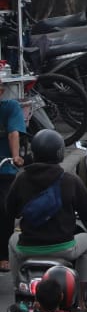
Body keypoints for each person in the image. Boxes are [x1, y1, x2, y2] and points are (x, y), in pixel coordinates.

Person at [5, 130, 87, 312]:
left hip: (27, 248)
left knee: (11, 241)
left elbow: (10, 210)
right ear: (60, 153)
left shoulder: (22, 178)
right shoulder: (70, 180)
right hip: (63, 249)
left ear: (35, 153)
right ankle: (82, 298)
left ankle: (20, 291)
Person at [0, 89, 25, 275]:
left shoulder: (10, 107)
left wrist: (15, 156)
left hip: (4, 168)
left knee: (6, 209)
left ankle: (3, 255)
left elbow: (13, 133)